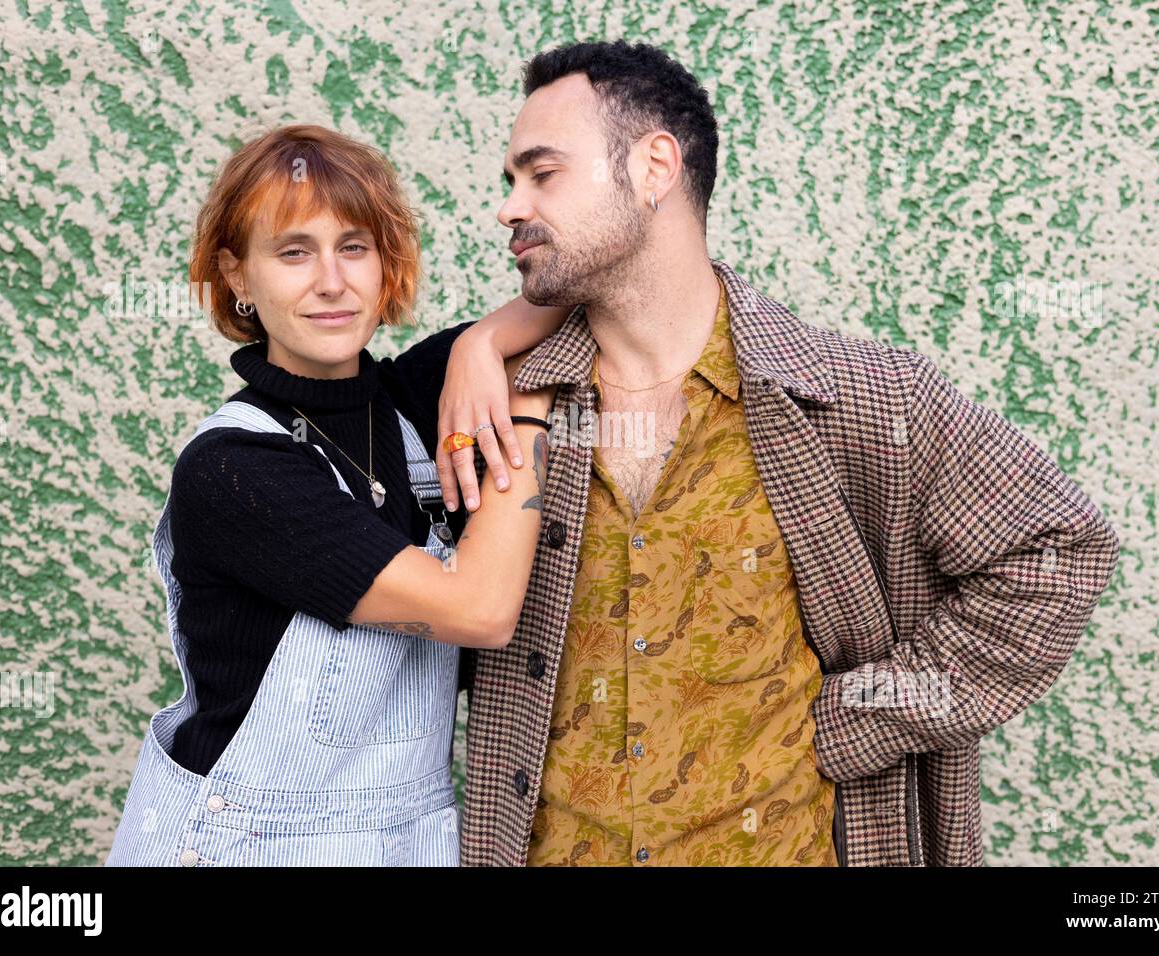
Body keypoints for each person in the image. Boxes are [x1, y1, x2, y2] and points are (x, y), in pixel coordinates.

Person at [452, 40, 1121, 866]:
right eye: (509, 182)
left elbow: (1057, 550)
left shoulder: (865, 397)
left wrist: (855, 717)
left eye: (540, 173)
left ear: (655, 165)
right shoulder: (500, 405)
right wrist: (476, 346)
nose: (509, 208)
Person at [105, 124, 565, 866]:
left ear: (386, 267)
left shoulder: (416, 399)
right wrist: (529, 398)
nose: (331, 281)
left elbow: (575, 293)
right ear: (238, 277)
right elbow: (477, 609)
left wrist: (484, 345)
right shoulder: (234, 468)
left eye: (355, 247)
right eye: (293, 252)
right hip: (245, 847)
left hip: (404, 842)